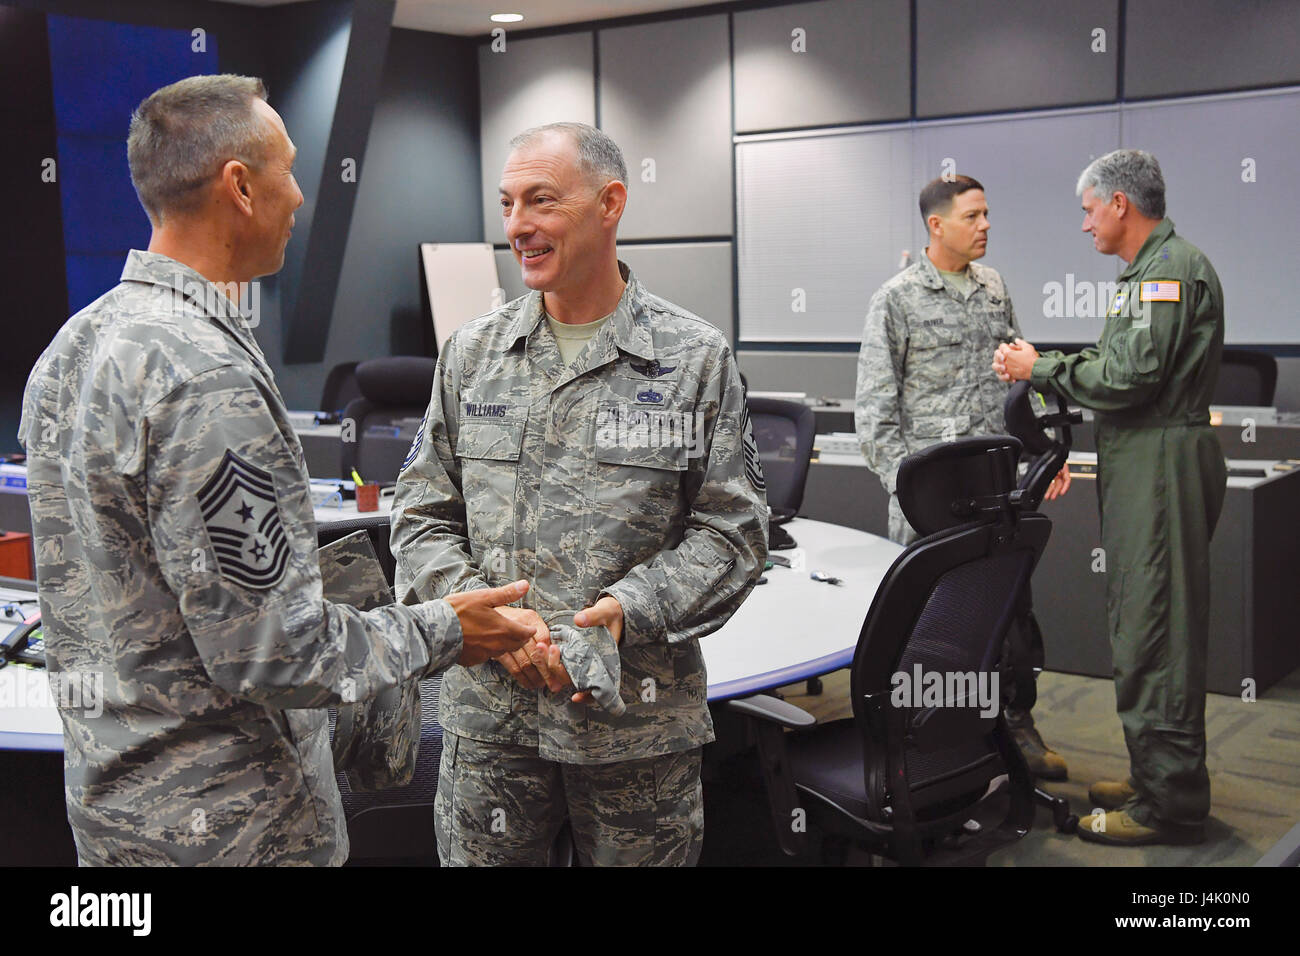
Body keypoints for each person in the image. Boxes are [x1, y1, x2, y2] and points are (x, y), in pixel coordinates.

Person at [18, 75, 535, 866]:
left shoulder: (72, 349)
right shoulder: (205, 373)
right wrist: (446, 628)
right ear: (239, 186)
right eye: (289, 171)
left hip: (117, 822)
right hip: (236, 830)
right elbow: (276, 651)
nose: (299, 196)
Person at [389, 122, 768, 866]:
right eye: (507, 205)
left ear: (610, 204)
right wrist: (486, 617)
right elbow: (420, 515)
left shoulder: (691, 360)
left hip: (635, 728)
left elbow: (734, 530)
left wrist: (630, 612)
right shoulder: (472, 356)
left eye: (541, 201)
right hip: (491, 725)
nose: (518, 227)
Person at [994, 148, 1227, 846]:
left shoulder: (1170, 272)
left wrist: (1043, 368)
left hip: (1160, 462)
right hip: (1142, 461)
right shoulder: (1146, 271)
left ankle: (1170, 804)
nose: (1086, 224)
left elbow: (1129, 378)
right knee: (1142, 618)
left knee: (1157, 629)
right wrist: (1055, 373)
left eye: (1089, 210)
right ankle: (1155, 772)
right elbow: (1120, 369)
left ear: (1120, 204)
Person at [855, 174, 1070, 780]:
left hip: (997, 489)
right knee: (933, 631)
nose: (985, 225)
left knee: (1009, 616)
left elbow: (1017, 380)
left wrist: (1040, 454)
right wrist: (909, 491)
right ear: (936, 225)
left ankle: (1016, 726)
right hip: (932, 502)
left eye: (986, 214)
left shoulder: (993, 288)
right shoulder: (896, 298)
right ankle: (932, 749)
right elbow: (874, 412)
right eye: (973, 216)